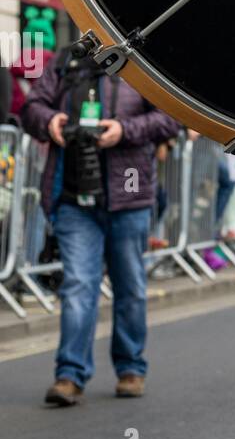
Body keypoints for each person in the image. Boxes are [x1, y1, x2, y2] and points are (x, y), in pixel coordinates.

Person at [19, 42, 181, 404]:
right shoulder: (65, 60)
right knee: (78, 285)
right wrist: (50, 121)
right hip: (73, 198)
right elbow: (30, 108)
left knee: (131, 287)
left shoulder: (142, 63)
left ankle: (131, 368)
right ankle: (70, 375)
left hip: (130, 197)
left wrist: (124, 130)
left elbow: (171, 117)